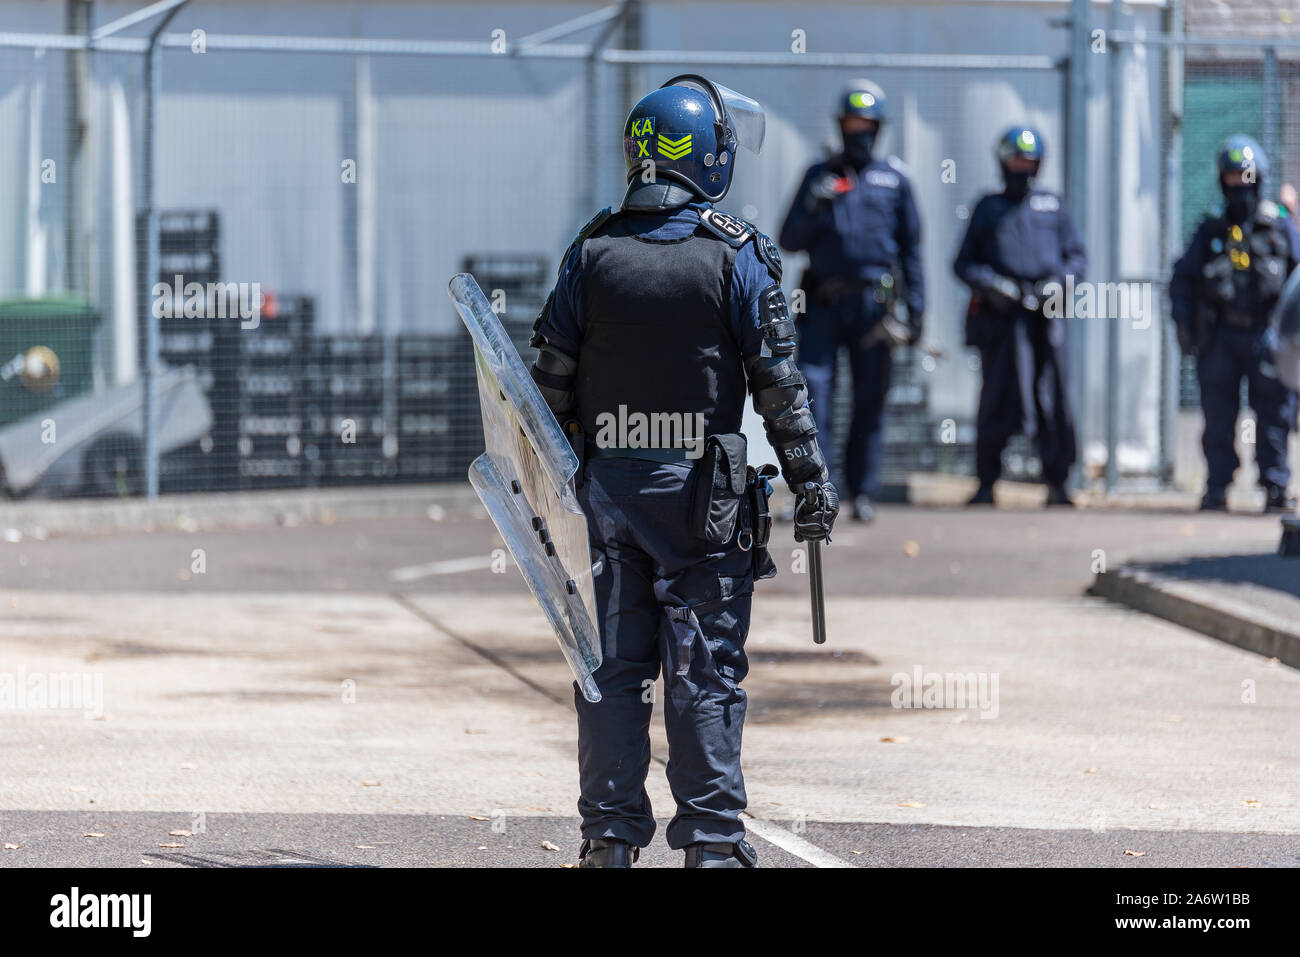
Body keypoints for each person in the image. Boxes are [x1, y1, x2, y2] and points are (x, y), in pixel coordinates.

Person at [527, 75, 839, 868]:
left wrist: (546, 490)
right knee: (704, 674)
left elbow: (546, 385)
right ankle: (711, 843)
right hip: (703, 502)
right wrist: (809, 481)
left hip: (605, 499)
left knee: (610, 674)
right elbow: (780, 387)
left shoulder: (590, 250)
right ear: (707, 154)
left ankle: (607, 840)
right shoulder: (736, 254)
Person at [778, 79, 924, 523]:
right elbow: (789, 239)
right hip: (822, 304)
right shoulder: (818, 175)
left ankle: (862, 492)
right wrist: (814, 205)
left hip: (874, 310)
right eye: (852, 123)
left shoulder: (894, 180)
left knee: (869, 400)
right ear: (840, 126)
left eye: (867, 125)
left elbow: (912, 250)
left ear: (877, 129)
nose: (859, 132)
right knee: (815, 395)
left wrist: (917, 313)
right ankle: (819, 488)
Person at [953, 126, 1086, 506]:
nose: (1022, 168)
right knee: (996, 397)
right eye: (1016, 160)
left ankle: (1058, 482)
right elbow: (963, 263)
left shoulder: (1053, 206)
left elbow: (1078, 259)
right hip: (1001, 321)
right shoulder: (987, 208)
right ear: (1003, 162)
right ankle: (986, 483)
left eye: (1029, 162)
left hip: (1046, 317)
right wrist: (992, 285)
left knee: (1053, 397)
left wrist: (1057, 284)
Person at [1170, 135, 1300, 513]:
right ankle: (1216, 486)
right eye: (1232, 179)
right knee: (1218, 415)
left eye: (1246, 178)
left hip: (1268, 335)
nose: (1239, 186)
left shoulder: (1279, 226)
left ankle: (1275, 486)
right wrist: (1183, 324)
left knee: (1275, 414)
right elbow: (1183, 280)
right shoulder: (1211, 228)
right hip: (1221, 336)